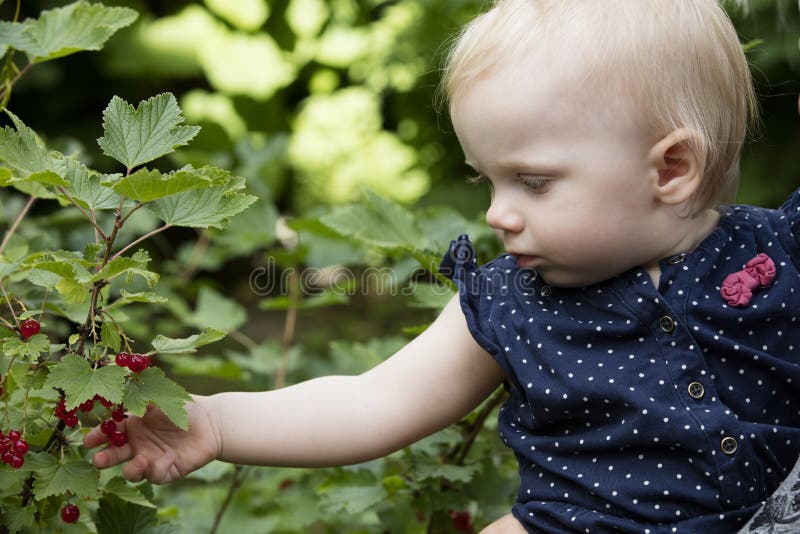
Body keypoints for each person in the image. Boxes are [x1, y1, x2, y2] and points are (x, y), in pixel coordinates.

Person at [84, 0, 800, 532]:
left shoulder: (782, 253)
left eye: (534, 181)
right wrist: (215, 421)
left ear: (671, 168)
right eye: (486, 180)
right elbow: (373, 402)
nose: (498, 213)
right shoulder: (508, 300)